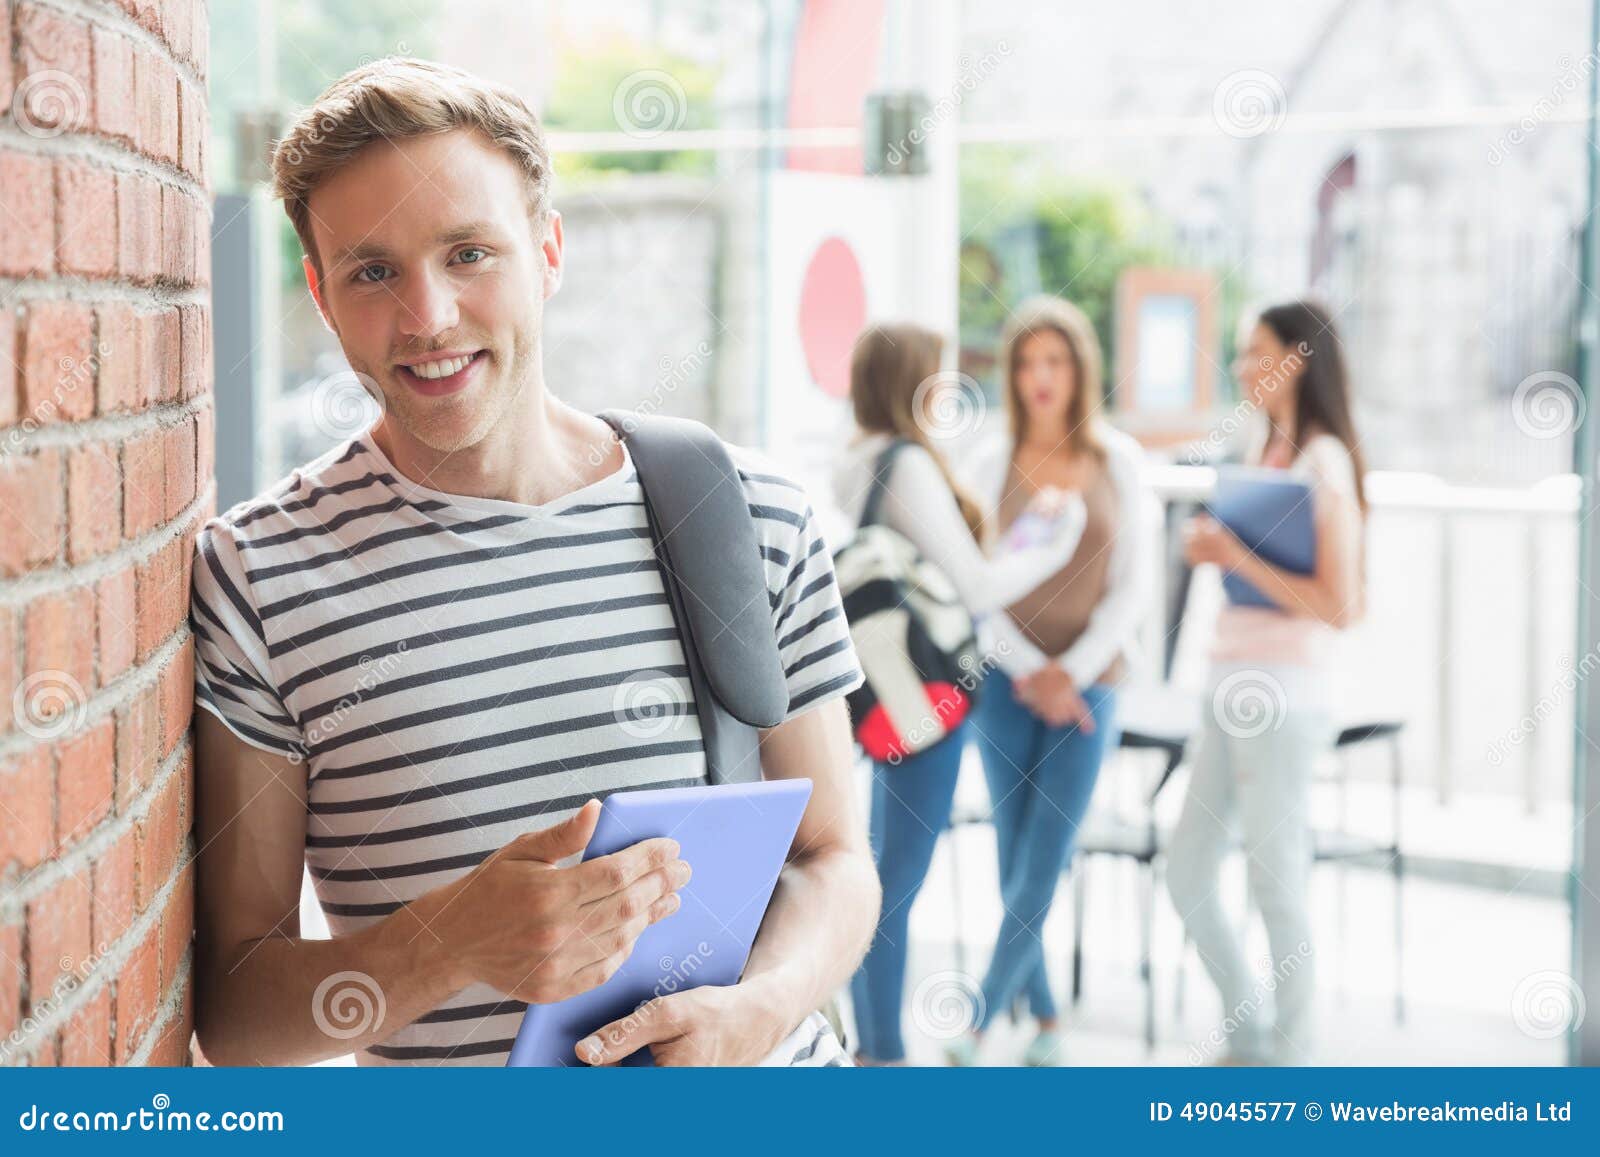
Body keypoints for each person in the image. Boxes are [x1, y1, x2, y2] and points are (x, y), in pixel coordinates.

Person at [189, 58, 879, 1068]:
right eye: (372, 271)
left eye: (468, 253)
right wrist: (448, 940)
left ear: (548, 250)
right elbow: (237, 1013)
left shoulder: (749, 511)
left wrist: (762, 1009)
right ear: (321, 295)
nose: (426, 317)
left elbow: (833, 857)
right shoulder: (260, 574)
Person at [832, 323, 1085, 1065]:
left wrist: (1014, 547)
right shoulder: (906, 462)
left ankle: (882, 1046)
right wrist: (1057, 545)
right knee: (895, 878)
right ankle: (883, 1054)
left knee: (886, 866)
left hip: (893, 684)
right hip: (929, 695)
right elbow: (972, 586)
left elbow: (944, 571)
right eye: (936, 375)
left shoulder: (861, 457)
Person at [943, 295, 1151, 1066]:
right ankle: (1050, 1021)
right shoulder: (988, 463)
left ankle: (977, 1020)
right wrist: (1033, 672)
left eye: (1055, 362)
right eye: (1027, 363)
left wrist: (1073, 673)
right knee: (1015, 852)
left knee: (1045, 853)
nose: (1039, 378)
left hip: (1091, 689)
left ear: (1079, 371)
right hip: (1005, 683)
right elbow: (972, 583)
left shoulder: (1118, 462)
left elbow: (1133, 587)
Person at [1166, 300, 1367, 1066]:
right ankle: (1248, 1032)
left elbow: (1342, 604)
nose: (1244, 368)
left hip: (1285, 693)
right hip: (1229, 680)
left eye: (1258, 353)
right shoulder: (1263, 451)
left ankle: (1291, 1055)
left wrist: (1234, 555)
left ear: (1297, 362)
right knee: (1189, 870)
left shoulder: (1324, 463)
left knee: (1274, 880)